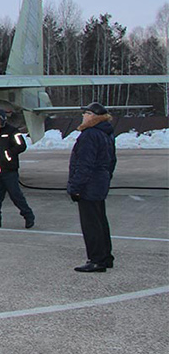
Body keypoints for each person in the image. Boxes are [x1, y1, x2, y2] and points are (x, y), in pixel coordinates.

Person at [68, 102, 117, 273]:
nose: (83, 116)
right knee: (100, 221)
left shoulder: (89, 135)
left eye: (86, 113)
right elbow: (112, 161)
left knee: (91, 225)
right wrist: (105, 178)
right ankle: (106, 257)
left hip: (89, 184)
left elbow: (84, 164)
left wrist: (75, 187)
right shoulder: (106, 133)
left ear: (93, 116)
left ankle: (96, 260)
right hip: (100, 183)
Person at [0, 109, 35, 229]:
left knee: (16, 195)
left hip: (9, 171)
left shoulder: (12, 131)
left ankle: (28, 215)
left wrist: (8, 154)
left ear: (2, 118)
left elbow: (21, 145)